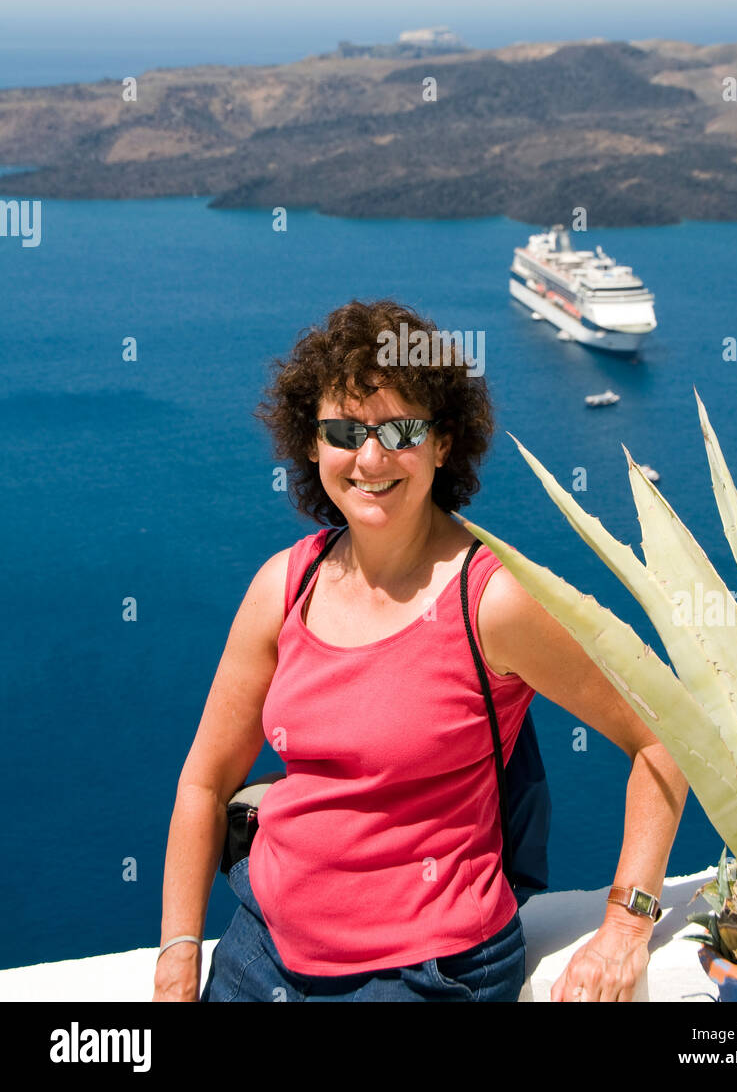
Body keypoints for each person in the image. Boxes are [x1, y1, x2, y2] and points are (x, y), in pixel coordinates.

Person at [153, 298, 688, 1003]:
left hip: (425, 975)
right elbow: (202, 783)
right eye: (344, 430)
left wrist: (626, 927)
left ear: (443, 443)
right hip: (259, 955)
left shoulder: (492, 601)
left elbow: (662, 742)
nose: (370, 458)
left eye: (401, 430)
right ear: (311, 445)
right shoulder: (284, 586)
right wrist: (177, 954)